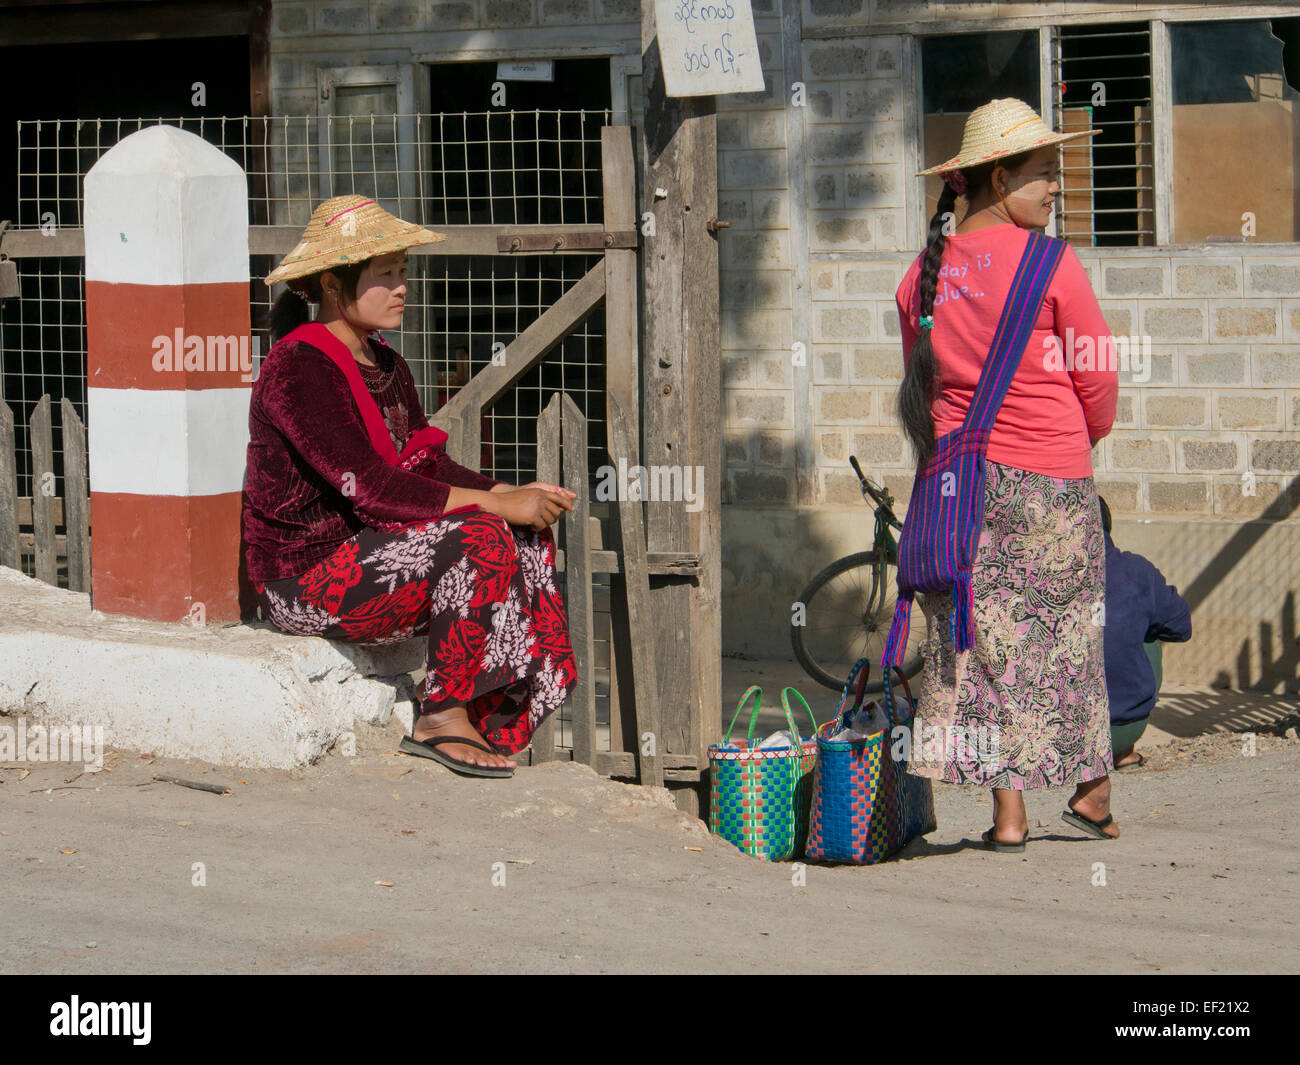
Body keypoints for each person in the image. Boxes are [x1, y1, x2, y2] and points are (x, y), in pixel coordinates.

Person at [243, 194, 578, 778]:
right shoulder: (298, 367)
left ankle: (487, 711)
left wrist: (512, 491)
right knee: (479, 534)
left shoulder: (390, 366)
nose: (402, 288)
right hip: (307, 579)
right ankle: (440, 715)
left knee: (522, 535)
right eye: (386, 275)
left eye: (404, 273)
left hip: (377, 558)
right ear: (330, 283)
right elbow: (369, 487)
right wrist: (494, 503)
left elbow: (420, 463)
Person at [895, 99, 1121, 849]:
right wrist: (1076, 441)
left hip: (958, 486)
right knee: (1065, 637)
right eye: (1042, 174)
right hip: (1050, 478)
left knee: (988, 646)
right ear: (998, 177)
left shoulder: (919, 279)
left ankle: (1010, 814)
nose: (1056, 187)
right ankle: (1091, 790)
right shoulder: (1053, 263)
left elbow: (919, 388)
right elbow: (1097, 376)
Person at [1097, 496, 1192, 769]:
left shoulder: (1031, 574)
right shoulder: (1136, 570)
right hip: (1121, 729)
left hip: (1045, 735)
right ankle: (1122, 753)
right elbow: (1180, 627)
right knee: (1147, 632)